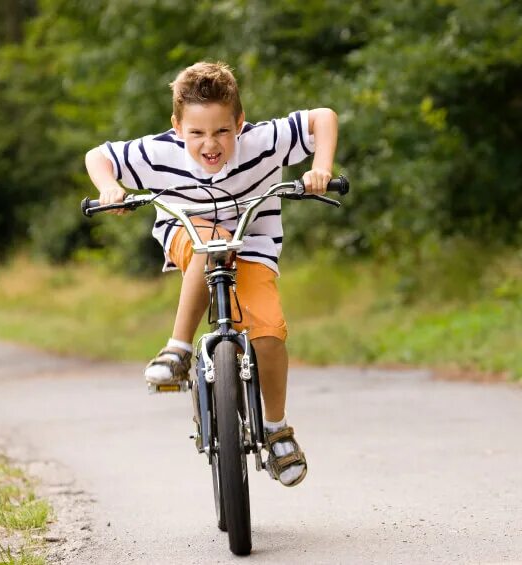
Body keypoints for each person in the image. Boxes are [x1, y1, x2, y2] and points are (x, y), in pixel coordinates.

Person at [84, 61, 338, 487]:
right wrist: (110, 189)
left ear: (239, 122)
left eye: (222, 131)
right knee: (210, 245)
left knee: (270, 333)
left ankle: (277, 429)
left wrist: (322, 167)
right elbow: (99, 157)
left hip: (252, 245)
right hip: (188, 234)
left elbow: (322, 118)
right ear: (177, 127)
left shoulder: (262, 142)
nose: (210, 144)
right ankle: (178, 351)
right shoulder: (158, 152)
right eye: (196, 133)